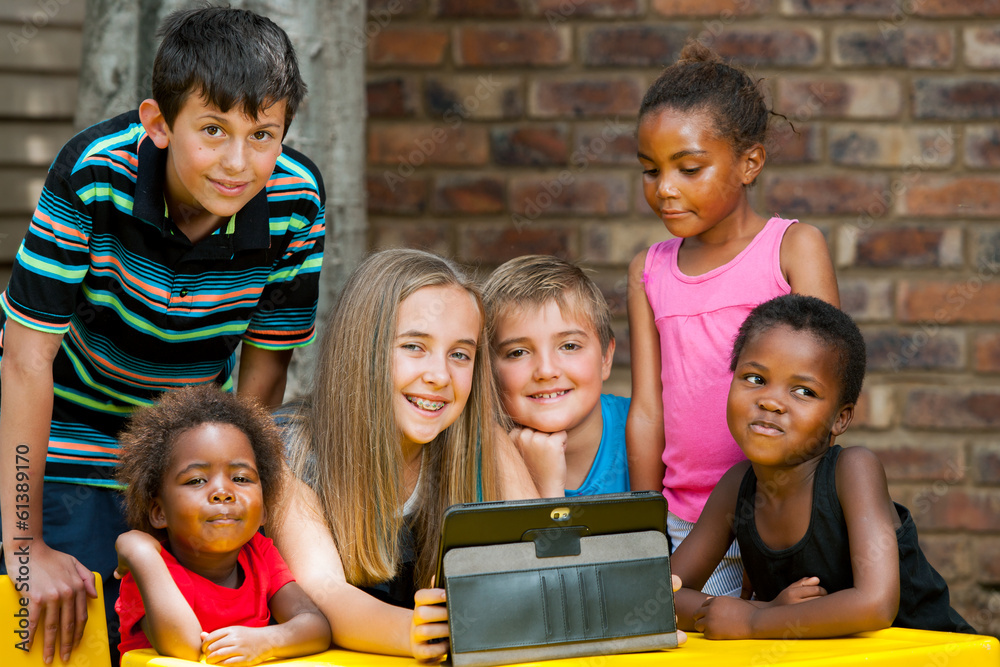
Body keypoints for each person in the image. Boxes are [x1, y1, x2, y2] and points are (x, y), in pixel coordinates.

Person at [0, 7, 324, 664]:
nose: (238, 162)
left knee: (198, 637)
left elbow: (263, 376)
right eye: (213, 130)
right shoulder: (95, 173)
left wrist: (234, 496)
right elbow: (26, 361)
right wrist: (25, 546)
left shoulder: (296, 203)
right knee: (62, 624)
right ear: (159, 123)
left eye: (263, 134)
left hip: (186, 453)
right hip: (64, 431)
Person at [626, 40, 839, 598]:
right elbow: (647, 410)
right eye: (650, 169)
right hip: (682, 524)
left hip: (779, 520)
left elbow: (825, 391)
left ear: (750, 162)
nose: (665, 188)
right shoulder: (649, 271)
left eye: (689, 168)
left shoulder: (792, 250)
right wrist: (646, 528)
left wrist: (770, 522)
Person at [269, 249, 538, 663]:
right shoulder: (289, 449)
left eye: (460, 354)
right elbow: (322, 590)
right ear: (362, 350)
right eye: (414, 346)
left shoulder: (480, 442)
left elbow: (538, 557)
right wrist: (413, 631)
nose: (440, 376)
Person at [671, 294, 975, 638]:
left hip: (931, 650)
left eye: (803, 391)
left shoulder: (853, 471)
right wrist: (766, 610)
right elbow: (664, 594)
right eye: (755, 379)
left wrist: (753, 622)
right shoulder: (737, 486)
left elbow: (875, 604)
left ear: (840, 419)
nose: (770, 401)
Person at [113, 385, 331, 663]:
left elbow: (315, 626)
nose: (222, 492)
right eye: (196, 480)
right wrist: (141, 553)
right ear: (159, 512)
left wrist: (266, 642)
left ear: (264, 510)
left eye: (240, 478)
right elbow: (186, 650)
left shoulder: (259, 553)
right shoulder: (150, 568)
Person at [482, 255, 628, 498]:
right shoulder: (476, 459)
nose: (546, 371)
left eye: (569, 346)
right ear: (488, 371)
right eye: (518, 352)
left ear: (606, 358)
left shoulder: (653, 434)